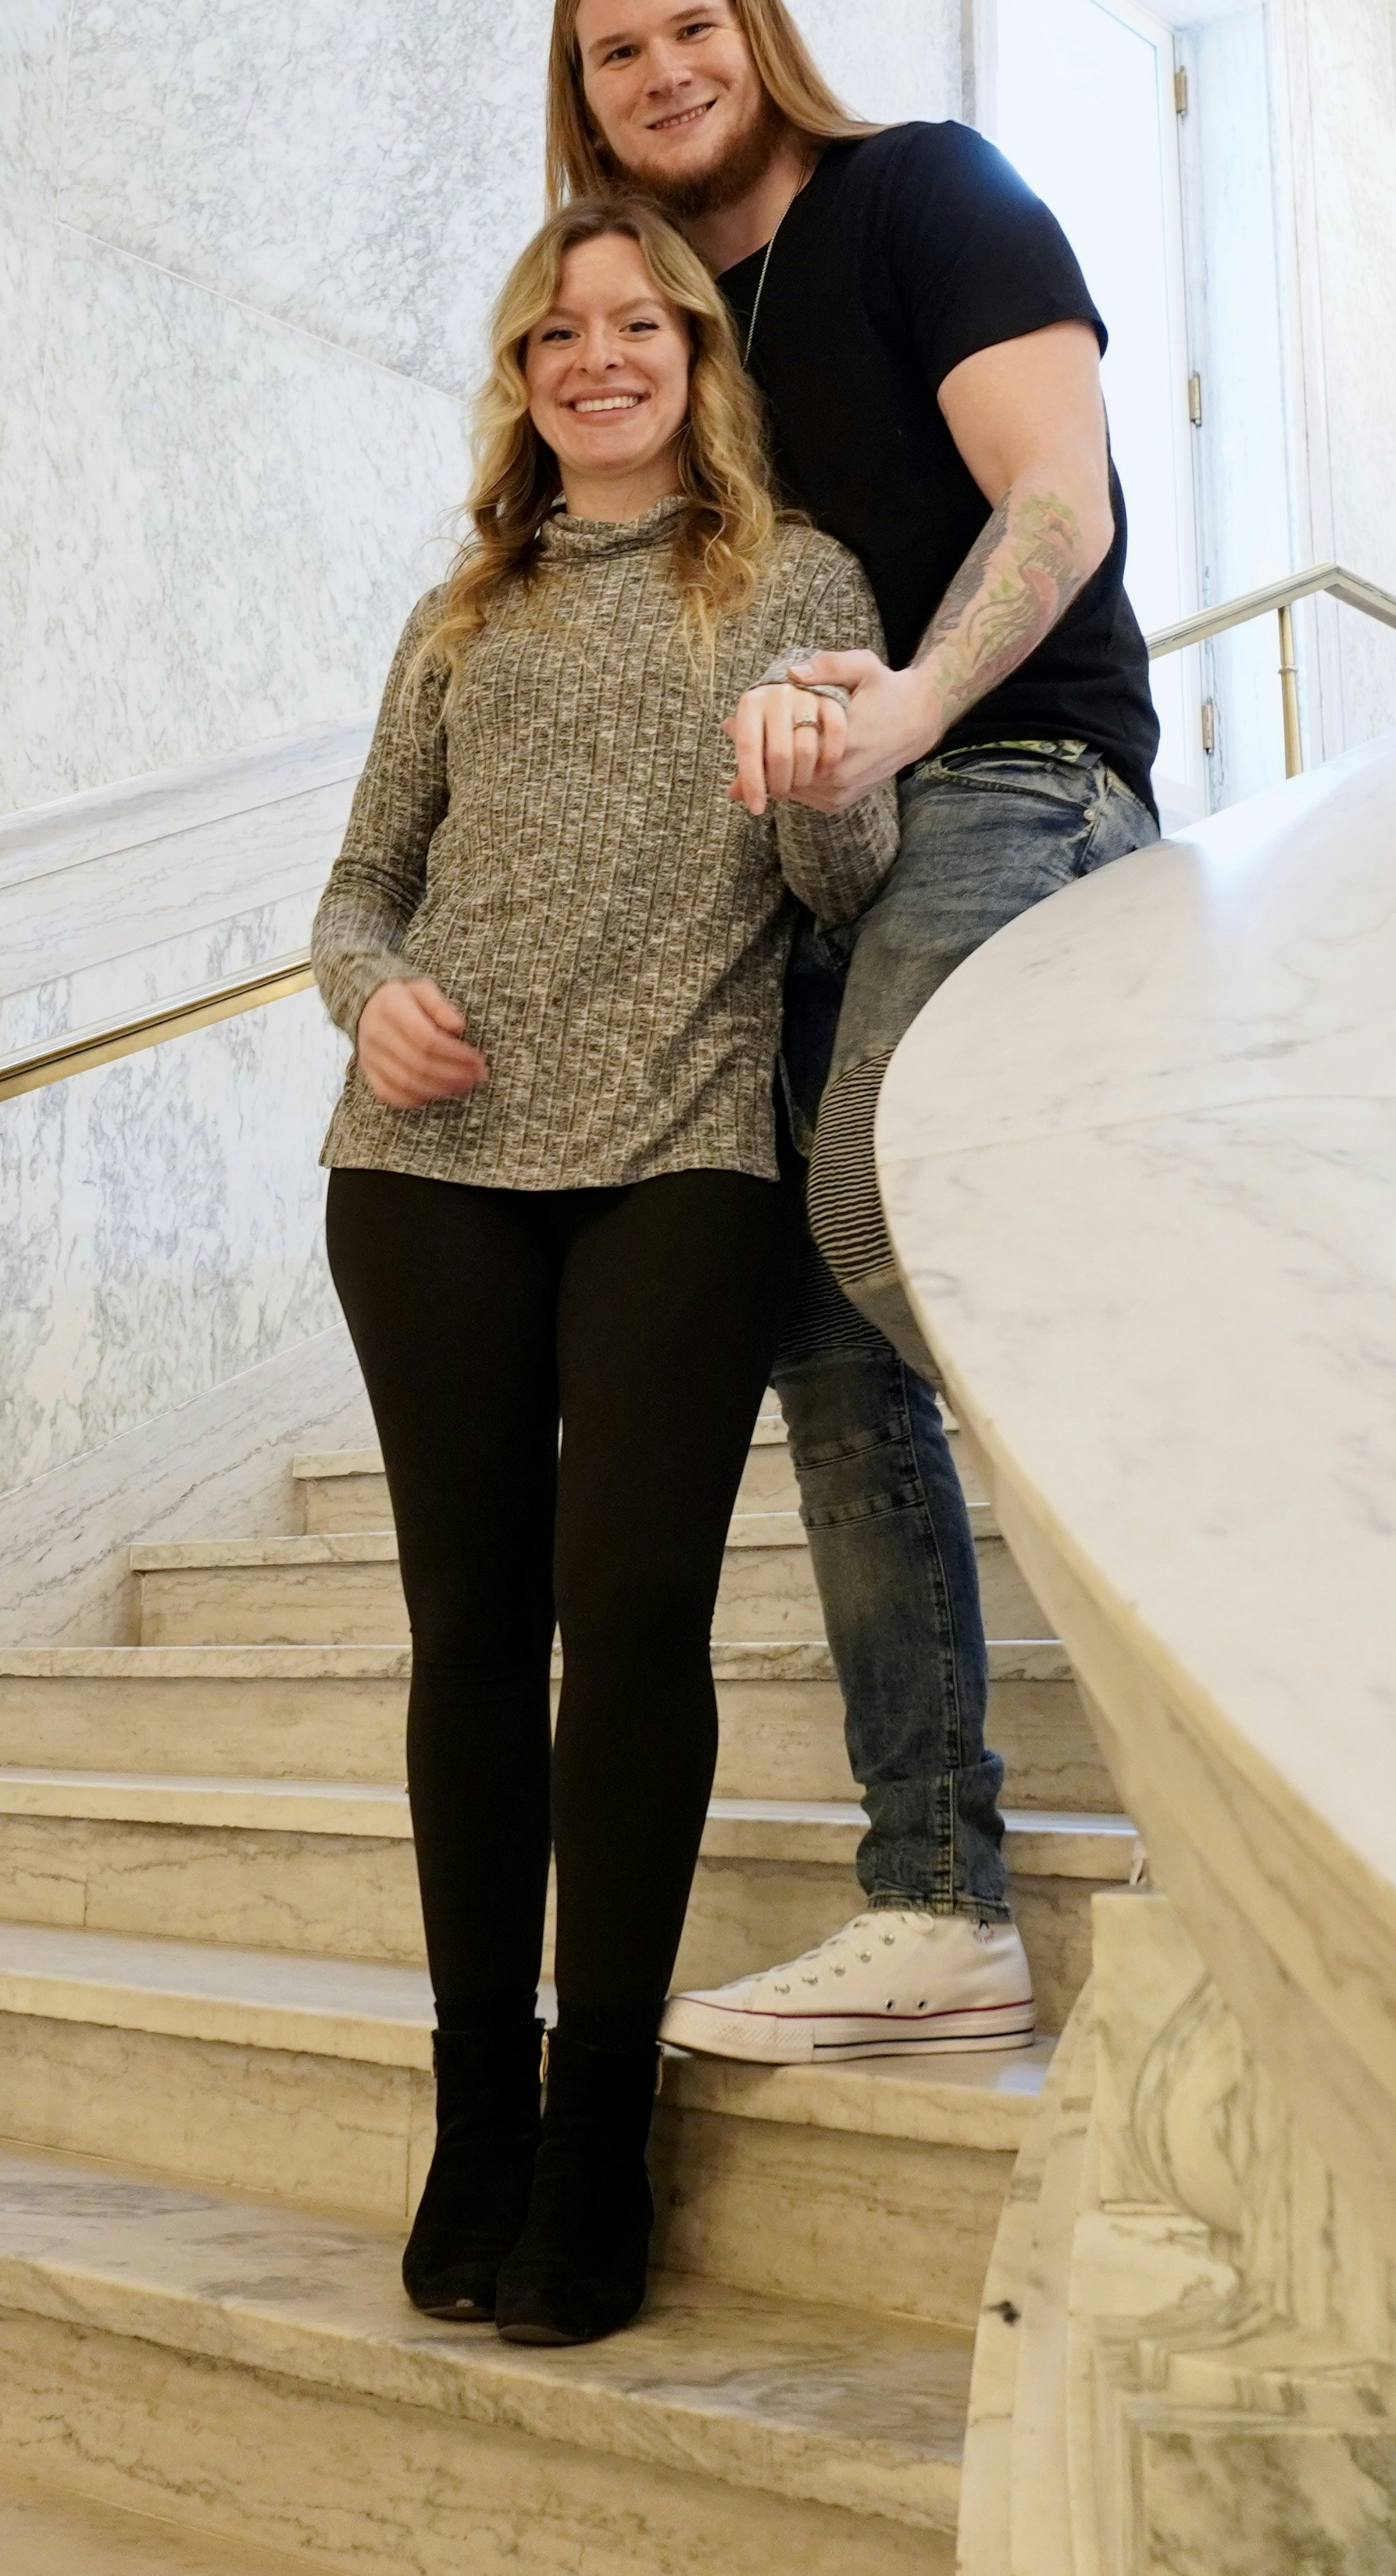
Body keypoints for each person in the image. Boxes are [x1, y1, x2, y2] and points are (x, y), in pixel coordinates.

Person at [536, 0, 1162, 2067]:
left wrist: (902, 708)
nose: (664, 73)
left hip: (1015, 772)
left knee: (876, 1199)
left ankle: (1238, 1531)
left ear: (755, 28)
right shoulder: (676, 338)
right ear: (585, 96)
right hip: (823, 862)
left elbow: (1059, 507)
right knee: (819, 1326)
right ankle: (935, 1905)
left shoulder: (931, 192)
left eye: (690, 27)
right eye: (617, 55)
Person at [315, 193, 894, 2348]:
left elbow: (842, 886)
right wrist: (366, 996)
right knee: (468, 1628)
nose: (600, 357)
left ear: (694, 359)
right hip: (429, 1163)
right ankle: (476, 2111)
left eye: (639, 322)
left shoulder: (800, 579)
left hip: (680, 1144)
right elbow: (362, 884)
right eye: (558, 334)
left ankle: (598, 2125)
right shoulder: (464, 610)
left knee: (631, 1612)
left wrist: (825, 776)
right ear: (524, 376)